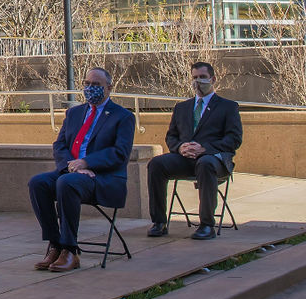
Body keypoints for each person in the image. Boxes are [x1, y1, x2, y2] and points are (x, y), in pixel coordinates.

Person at [26, 67, 135, 273]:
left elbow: (120, 153)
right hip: (72, 172)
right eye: (86, 84)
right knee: (38, 183)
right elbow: (59, 145)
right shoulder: (75, 113)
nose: (89, 88)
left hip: (103, 178)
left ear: (109, 88)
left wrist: (87, 163)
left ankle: (70, 250)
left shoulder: (123, 117)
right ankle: (55, 244)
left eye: (96, 85)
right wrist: (72, 165)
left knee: (66, 183)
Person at [146, 61, 243, 241]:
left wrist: (204, 149)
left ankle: (207, 225)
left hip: (214, 159)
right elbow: (171, 137)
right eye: (195, 78)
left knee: (205, 163)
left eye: (203, 77)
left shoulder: (228, 107)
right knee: (156, 164)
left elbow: (234, 139)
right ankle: (159, 222)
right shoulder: (181, 108)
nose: (198, 82)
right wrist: (180, 147)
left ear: (213, 79)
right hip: (185, 159)